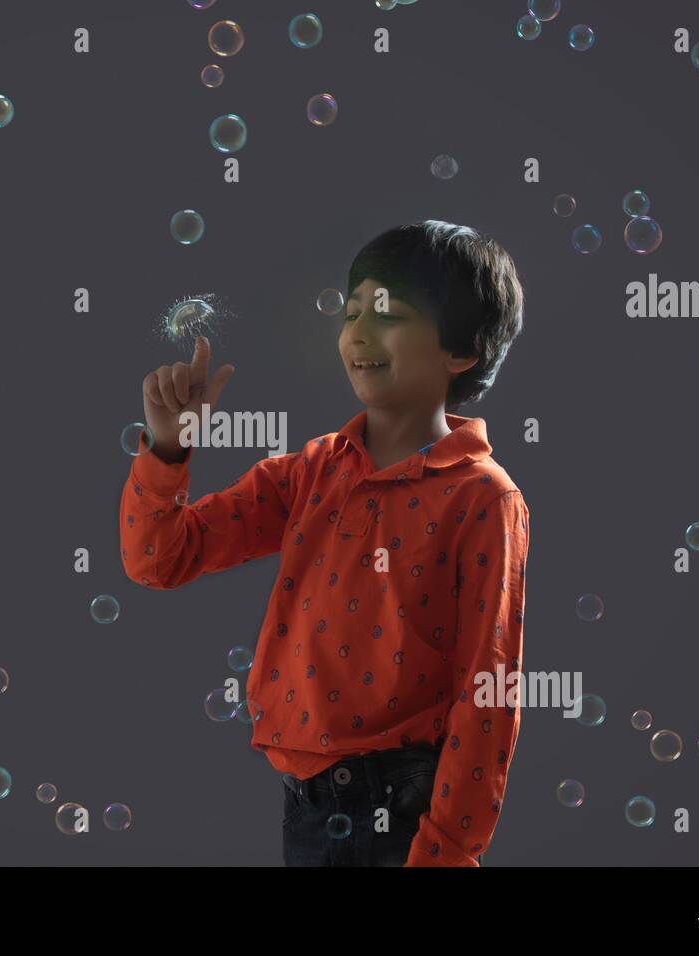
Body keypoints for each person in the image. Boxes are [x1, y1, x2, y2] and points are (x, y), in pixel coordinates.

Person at [119, 221, 529, 866]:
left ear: (463, 349)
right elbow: (159, 560)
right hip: (309, 810)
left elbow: (490, 690)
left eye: (388, 313)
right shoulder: (310, 473)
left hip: (401, 813)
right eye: (351, 311)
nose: (359, 332)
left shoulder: (481, 496)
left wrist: (444, 855)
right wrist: (169, 445)